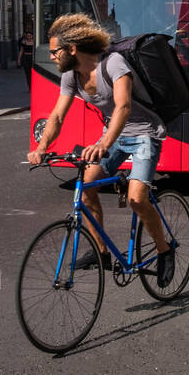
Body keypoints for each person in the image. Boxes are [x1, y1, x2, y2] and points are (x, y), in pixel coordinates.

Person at [27, 14, 175, 287]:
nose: (52, 57)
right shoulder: (71, 75)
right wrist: (42, 147)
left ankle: (164, 250)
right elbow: (57, 116)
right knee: (86, 187)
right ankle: (102, 253)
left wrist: (103, 144)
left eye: (54, 52)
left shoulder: (113, 63)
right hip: (114, 136)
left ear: (72, 49)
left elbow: (124, 107)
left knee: (136, 199)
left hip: (143, 134)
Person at [17, 27, 35, 92]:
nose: (29, 37)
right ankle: (30, 87)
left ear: (32, 36)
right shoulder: (23, 42)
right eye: (28, 36)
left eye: (30, 35)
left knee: (33, 74)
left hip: (32, 58)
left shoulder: (34, 42)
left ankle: (34, 86)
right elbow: (21, 51)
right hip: (26, 58)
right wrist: (19, 59)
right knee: (27, 74)